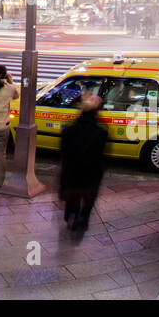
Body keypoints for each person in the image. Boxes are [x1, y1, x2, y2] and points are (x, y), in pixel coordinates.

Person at [59, 92, 107, 237]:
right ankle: (83, 219)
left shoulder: (68, 131)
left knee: (72, 198)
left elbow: (63, 155)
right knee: (88, 201)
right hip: (91, 175)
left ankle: (72, 214)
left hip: (72, 173)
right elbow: (102, 157)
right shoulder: (101, 133)